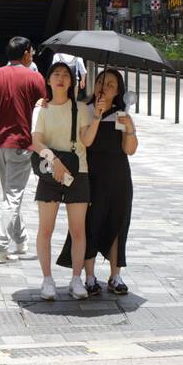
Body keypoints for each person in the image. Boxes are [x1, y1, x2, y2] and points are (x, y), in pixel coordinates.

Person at [58, 68, 138, 295]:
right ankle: (90, 276)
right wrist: (97, 116)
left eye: (111, 85)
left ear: (119, 92)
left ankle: (116, 276)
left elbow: (129, 150)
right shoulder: (85, 110)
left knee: (118, 223)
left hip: (119, 177)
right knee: (90, 224)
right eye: (101, 82)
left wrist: (130, 129)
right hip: (91, 176)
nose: (105, 87)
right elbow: (86, 143)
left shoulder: (122, 115)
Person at [31, 61, 99, 301]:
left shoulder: (79, 108)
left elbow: (87, 141)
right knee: (45, 229)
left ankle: (76, 279)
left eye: (65, 75)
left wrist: (98, 118)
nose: (60, 78)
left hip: (78, 172)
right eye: (55, 74)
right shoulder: (41, 108)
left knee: (78, 229)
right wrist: (54, 160)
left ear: (72, 81)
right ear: (48, 80)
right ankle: (47, 279)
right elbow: (35, 142)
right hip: (50, 172)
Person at [0, 35, 46, 264]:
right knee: (13, 198)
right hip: (21, 144)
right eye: (32, 51)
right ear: (26, 53)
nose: (33, 55)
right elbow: (46, 108)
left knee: (9, 194)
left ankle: (21, 239)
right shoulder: (35, 78)